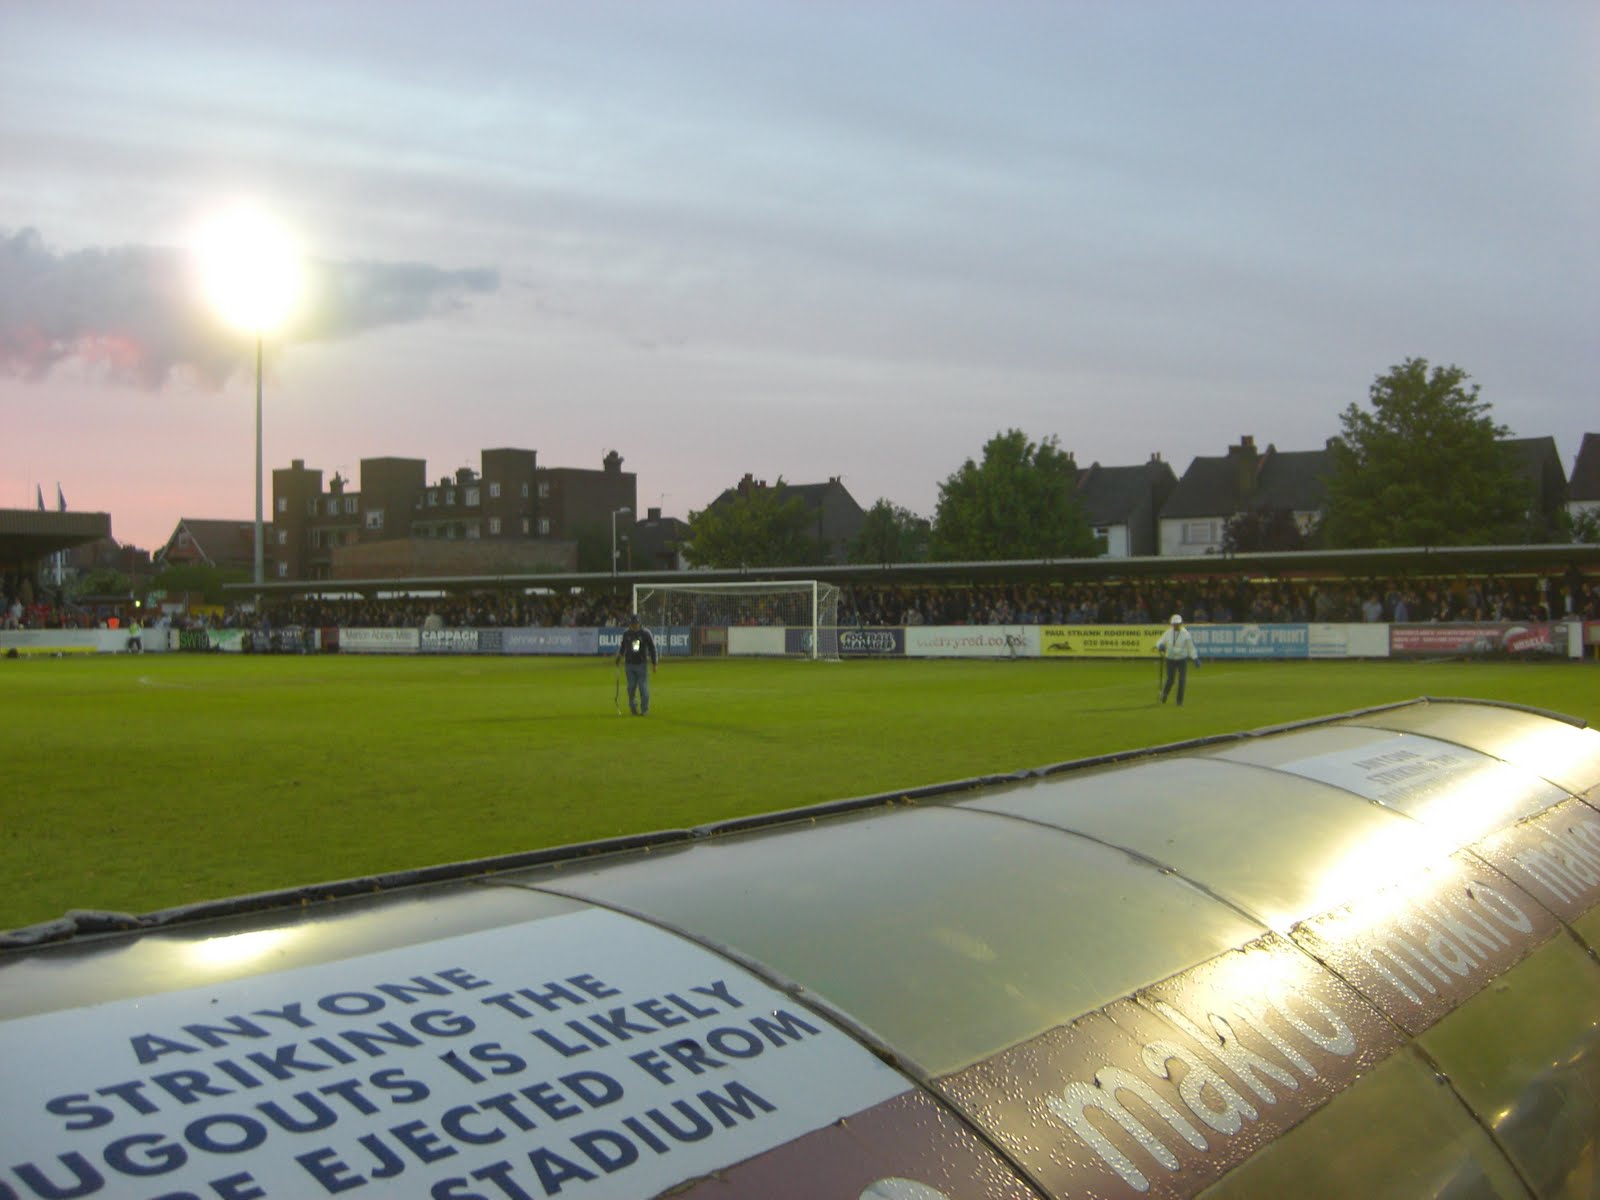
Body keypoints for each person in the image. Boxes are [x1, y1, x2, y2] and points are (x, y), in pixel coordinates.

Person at [615, 613, 658, 716]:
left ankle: (644, 710)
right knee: (631, 687)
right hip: (629, 665)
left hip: (641, 665)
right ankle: (633, 707)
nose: (635, 625)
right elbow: (623, 647)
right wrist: (619, 657)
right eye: (633, 624)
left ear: (639, 623)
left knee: (643, 688)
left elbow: (652, 648)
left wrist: (654, 663)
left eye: (636, 623)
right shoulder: (627, 634)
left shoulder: (645, 633)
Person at [1155, 613, 1200, 706]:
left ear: (1181, 623)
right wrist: (1160, 646)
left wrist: (1195, 658)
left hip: (1182, 659)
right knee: (1170, 680)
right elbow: (1159, 641)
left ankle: (1179, 702)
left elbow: (1191, 647)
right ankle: (1165, 693)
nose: (1176, 625)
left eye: (1178, 623)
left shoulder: (1186, 634)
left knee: (1182, 681)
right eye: (1174, 624)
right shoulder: (1168, 633)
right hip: (1170, 659)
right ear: (1172, 624)